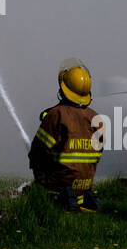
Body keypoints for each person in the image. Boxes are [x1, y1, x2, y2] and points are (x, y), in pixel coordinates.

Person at [27, 57, 103, 212]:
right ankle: (84, 198)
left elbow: (38, 152)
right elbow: (96, 154)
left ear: (63, 89)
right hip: (84, 186)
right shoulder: (96, 118)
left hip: (61, 187)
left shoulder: (56, 115)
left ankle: (56, 198)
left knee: (40, 168)